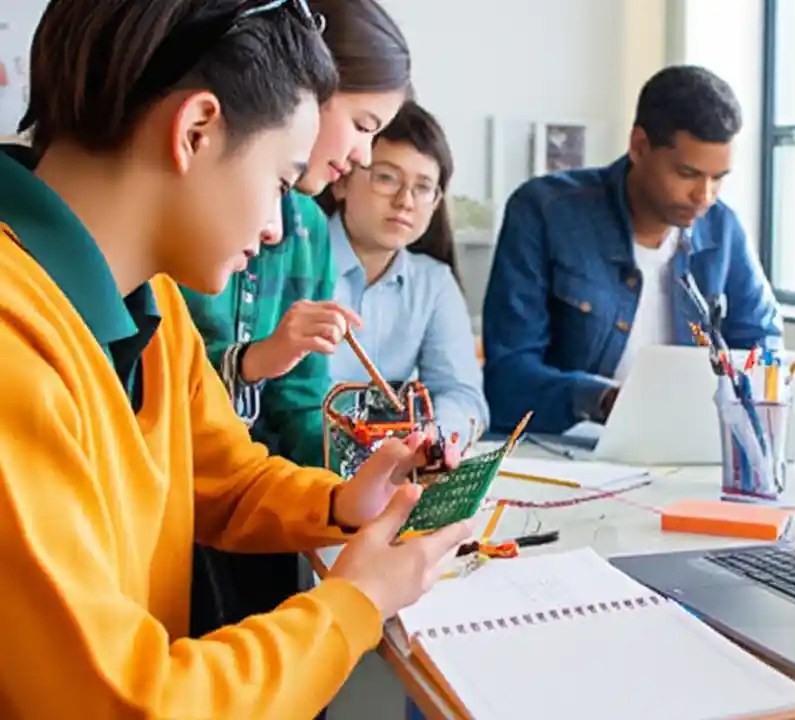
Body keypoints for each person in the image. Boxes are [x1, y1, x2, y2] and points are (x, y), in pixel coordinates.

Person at [0, 1, 472, 717]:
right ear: (196, 131)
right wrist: (359, 599)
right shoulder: (13, 343)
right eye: (283, 181)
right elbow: (123, 702)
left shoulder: (150, 302)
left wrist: (345, 500)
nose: (282, 222)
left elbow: (224, 479)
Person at [179, 0, 414, 642]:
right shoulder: (175, 224)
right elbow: (170, 414)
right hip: (192, 518)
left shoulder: (306, 224)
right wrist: (256, 360)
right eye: (362, 125)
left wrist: (352, 485)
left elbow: (298, 410)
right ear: (306, 87)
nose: (363, 157)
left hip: (257, 505)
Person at [483, 64, 782, 434]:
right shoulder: (544, 212)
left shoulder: (724, 230)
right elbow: (507, 379)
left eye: (717, 179)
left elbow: (763, 347)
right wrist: (602, 400)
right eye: (687, 174)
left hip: (689, 449)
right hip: (566, 449)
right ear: (639, 146)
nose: (704, 196)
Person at [322, 101, 489, 446]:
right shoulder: (296, 259)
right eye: (386, 178)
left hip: (391, 469)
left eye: (423, 187)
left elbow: (464, 396)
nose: (405, 201)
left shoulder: (434, 284)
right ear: (341, 180)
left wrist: (432, 441)